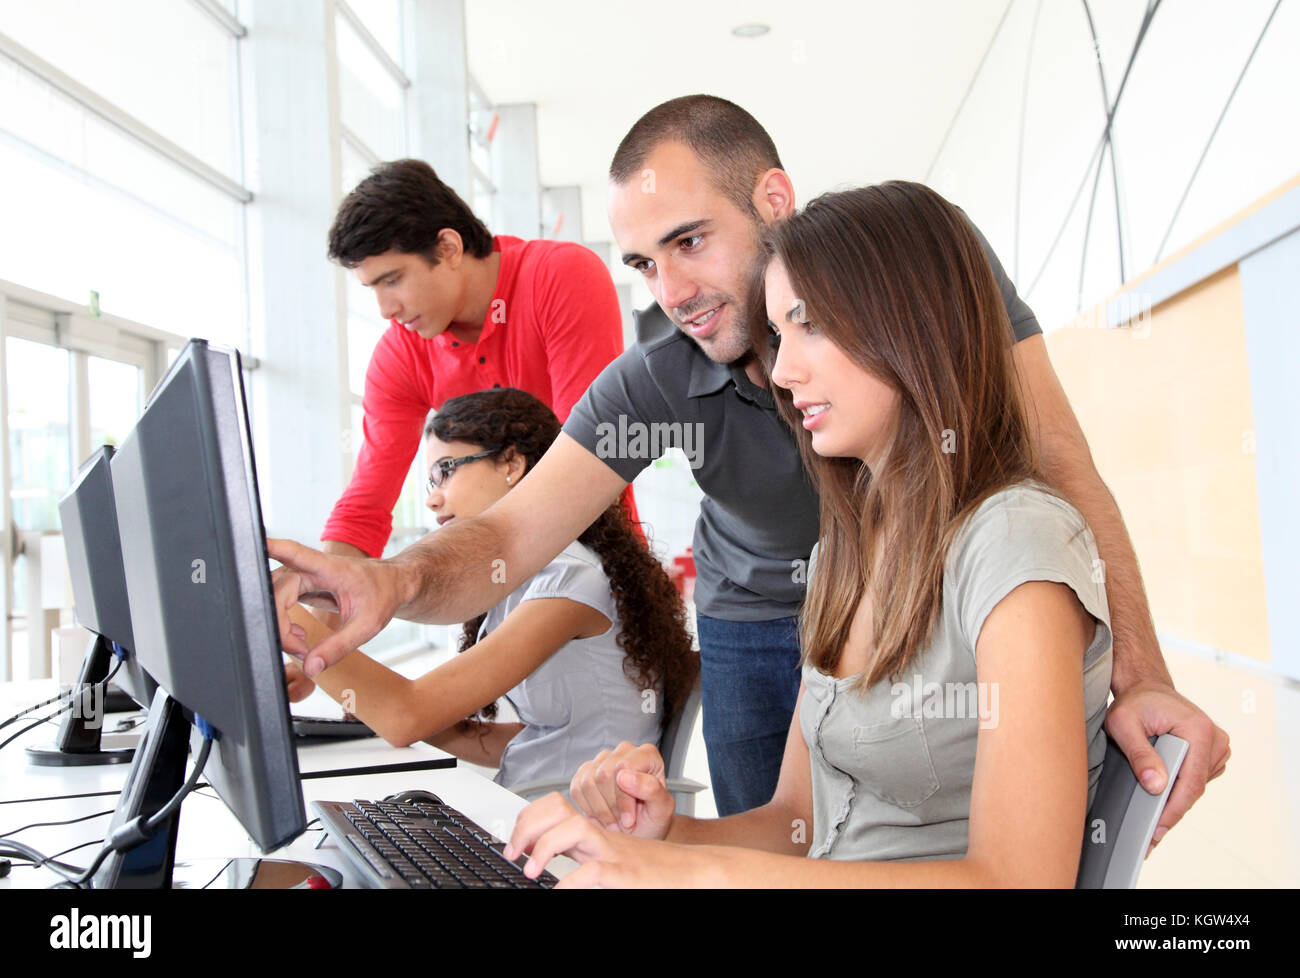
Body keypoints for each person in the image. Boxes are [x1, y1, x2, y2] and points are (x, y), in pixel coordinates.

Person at [270, 96, 1227, 835]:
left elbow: (1062, 461)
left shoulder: (921, 283)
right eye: (644, 263)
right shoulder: (656, 378)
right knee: (781, 830)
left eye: (689, 242)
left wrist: (1140, 668)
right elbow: (510, 538)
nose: (672, 292)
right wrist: (389, 582)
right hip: (756, 617)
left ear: (774, 198)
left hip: (912, 596)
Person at [503, 182, 1115, 886]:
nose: (784, 373)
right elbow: (797, 825)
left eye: (810, 325)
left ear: (918, 324)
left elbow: (1018, 881)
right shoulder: (844, 549)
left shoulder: (1017, 545)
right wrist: (666, 837)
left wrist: (692, 877)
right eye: (777, 334)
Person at [282, 389, 696, 788]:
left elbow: (406, 714)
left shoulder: (570, 580)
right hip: (541, 810)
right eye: (430, 482)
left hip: (582, 835)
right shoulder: (518, 579)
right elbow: (540, 741)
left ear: (511, 465)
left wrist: (287, 615)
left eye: (446, 471)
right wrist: (369, 707)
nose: (433, 500)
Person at [321, 159, 628, 562]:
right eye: (372, 288)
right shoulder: (399, 353)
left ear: (448, 248)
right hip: (494, 582)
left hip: (594, 566)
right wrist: (317, 606)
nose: (384, 309)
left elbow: (590, 459)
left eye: (392, 279)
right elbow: (365, 507)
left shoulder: (559, 277)